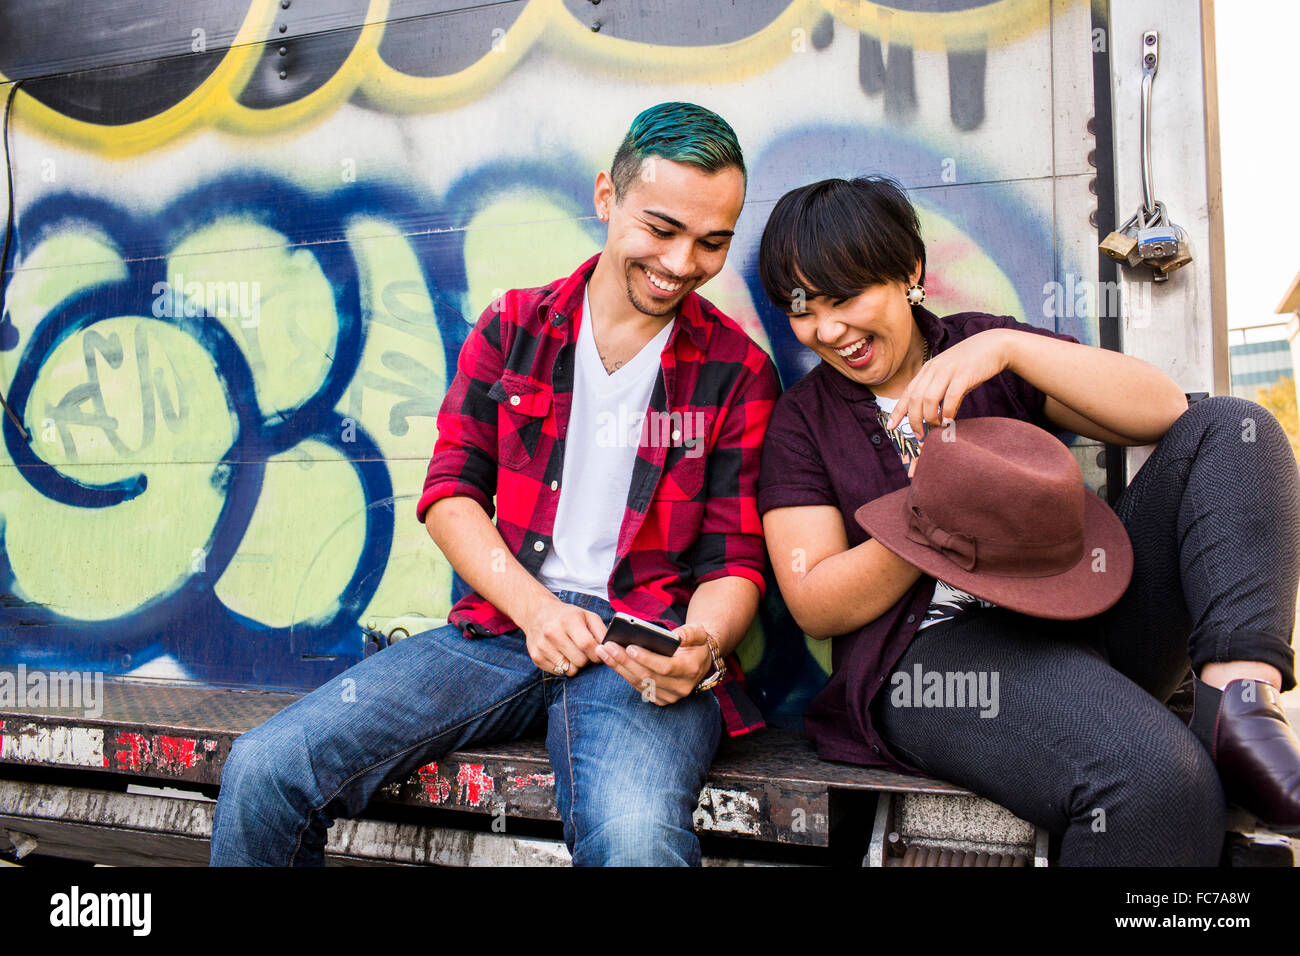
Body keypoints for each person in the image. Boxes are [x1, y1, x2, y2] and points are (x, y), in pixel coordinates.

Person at [209, 102, 780, 867]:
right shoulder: (513, 327)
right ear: (607, 197)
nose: (682, 263)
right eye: (662, 229)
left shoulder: (738, 370)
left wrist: (702, 650)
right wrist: (537, 610)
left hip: (639, 656)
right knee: (265, 770)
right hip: (502, 630)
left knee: (637, 845)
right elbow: (449, 494)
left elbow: (736, 559)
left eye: (712, 243)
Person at [755, 175, 1300, 865]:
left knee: (1233, 428)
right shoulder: (803, 421)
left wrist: (1008, 351)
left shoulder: (981, 348)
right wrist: (936, 514)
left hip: (1076, 611)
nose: (828, 331)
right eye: (804, 311)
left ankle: (1241, 706)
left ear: (909, 274)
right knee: (1162, 782)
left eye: (847, 298)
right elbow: (815, 601)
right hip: (932, 658)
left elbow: (1164, 410)